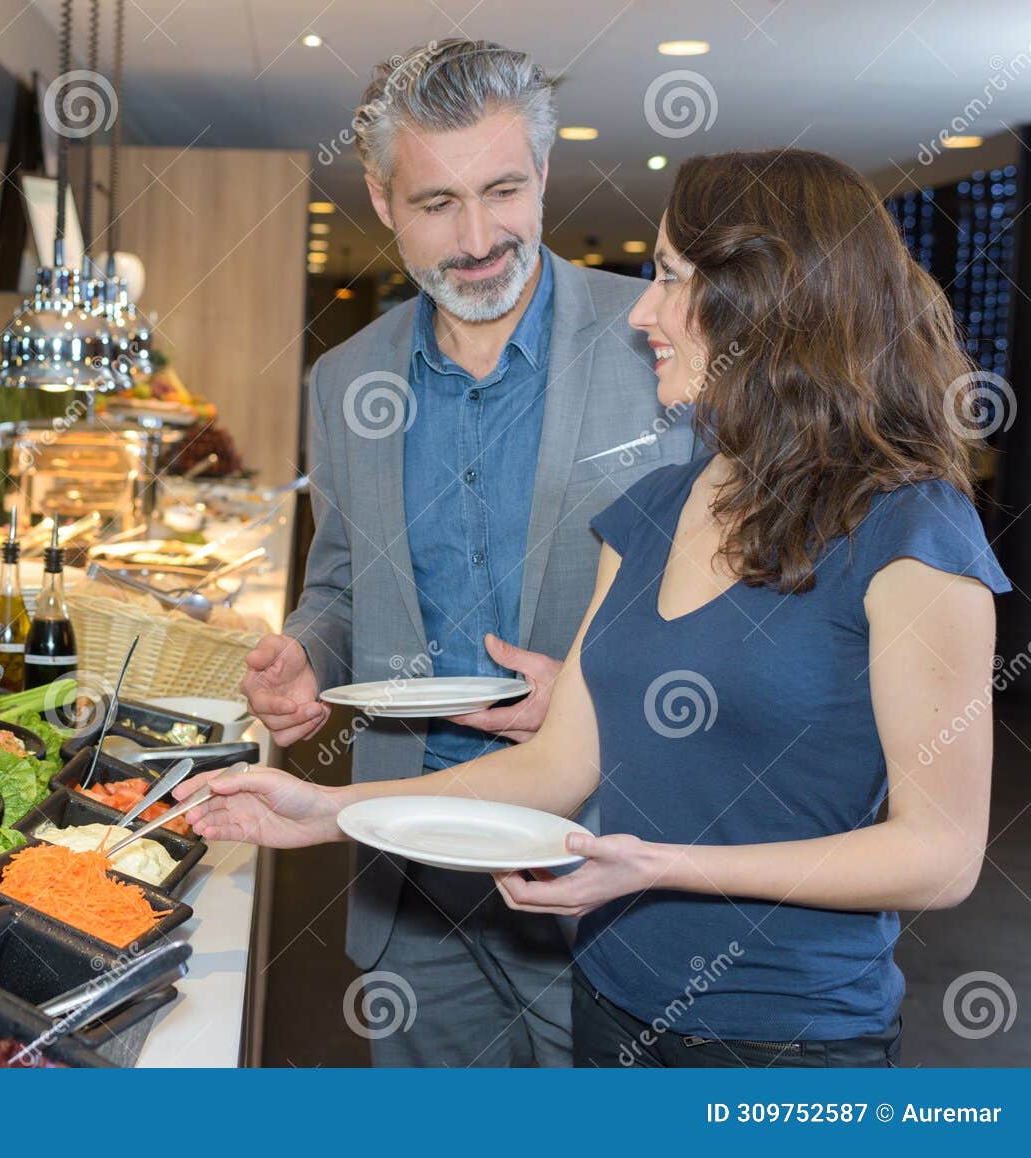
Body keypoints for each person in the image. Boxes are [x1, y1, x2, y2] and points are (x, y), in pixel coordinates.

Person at [199, 148, 1006, 1067]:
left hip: (787, 1040)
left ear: (765, 299)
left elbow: (940, 856)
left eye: (668, 277)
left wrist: (665, 866)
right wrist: (323, 808)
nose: (642, 310)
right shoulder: (654, 509)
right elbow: (555, 764)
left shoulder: (911, 530)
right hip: (611, 1000)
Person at [242, 40, 695, 1067]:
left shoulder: (654, 339)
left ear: (543, 175)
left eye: (503, 190)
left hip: (601, 857)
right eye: (438, 203)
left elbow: (742, 597)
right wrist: (312, 649)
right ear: (381, 198)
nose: (480, 237)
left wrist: (595, 692)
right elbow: (344, 576)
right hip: (408, 860)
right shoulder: (344, 379)